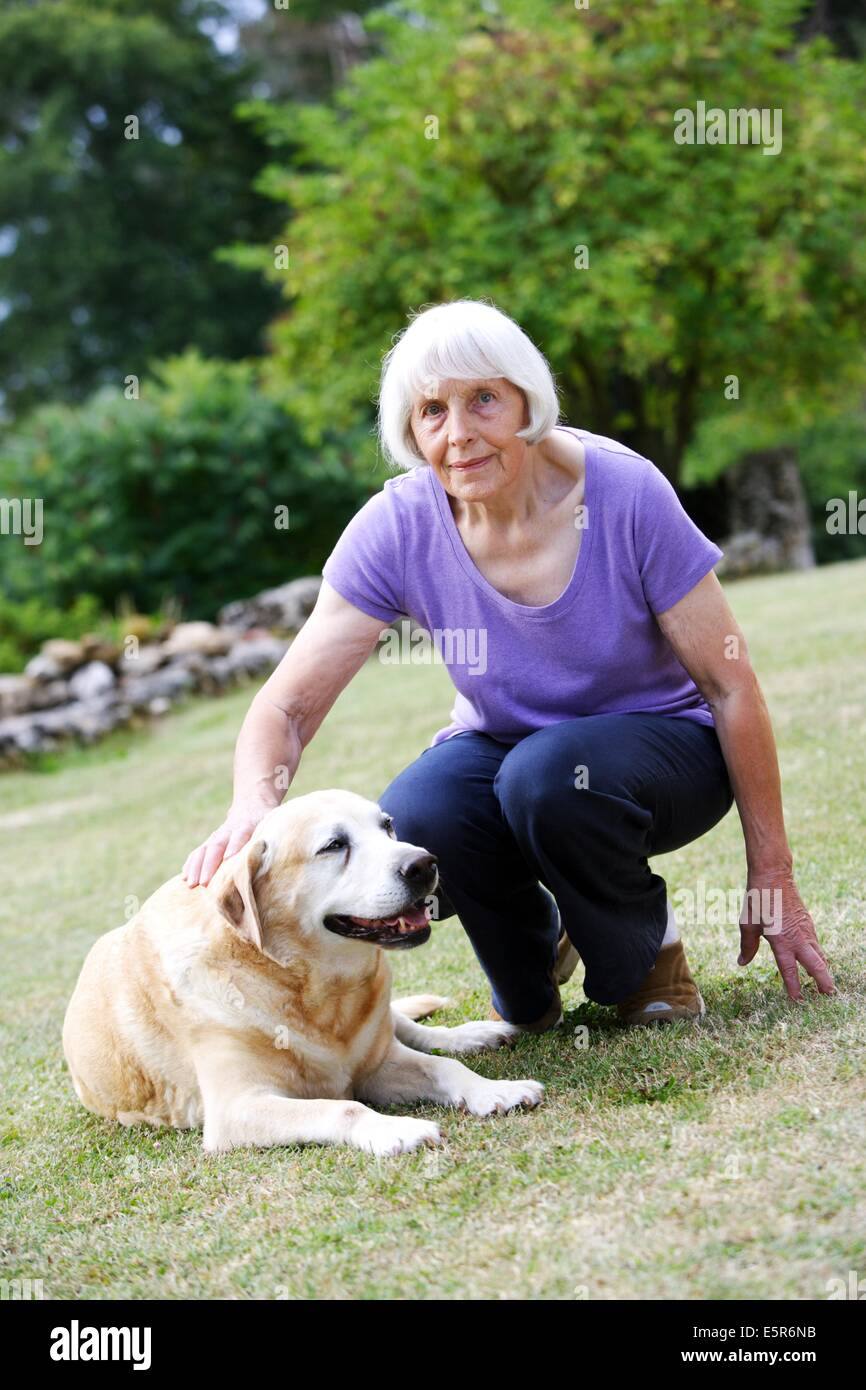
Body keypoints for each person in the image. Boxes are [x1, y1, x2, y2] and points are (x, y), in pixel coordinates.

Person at [182, 299, 834, 1031]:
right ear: (410, 430)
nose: (459, 435)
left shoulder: (624, 491)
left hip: (667, 748)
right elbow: (286, 708)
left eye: (483, 400)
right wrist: (251, 806)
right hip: (509, 749)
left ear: (527, 400)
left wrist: (771, 874)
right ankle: (535, 963)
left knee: (546, 777)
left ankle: (651, 958)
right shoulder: (399, 526)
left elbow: (730, 686)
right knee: (421, 816)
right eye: (432, 411)